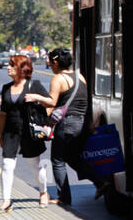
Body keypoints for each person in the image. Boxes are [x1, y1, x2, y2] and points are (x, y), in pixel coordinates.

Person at [27, 47, 93, 206]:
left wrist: (36, 97)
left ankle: (64, 197)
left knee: (57, 160)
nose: (49, 65)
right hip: (81, 122)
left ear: (55, 62)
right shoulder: (79, 76)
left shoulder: (58, 79)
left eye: (50, 62)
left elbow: (52, 102)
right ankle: (101, 181)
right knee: (72, 157)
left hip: (67, 124)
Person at [0, 55, 52, 214]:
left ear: (22, 68)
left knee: (35, 165)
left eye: (12, 65)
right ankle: (6, 201)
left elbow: (51, 102)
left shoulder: (34, 85)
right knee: (7, 165)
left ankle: (43, 192)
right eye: (8, 65)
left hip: (29, 132)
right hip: (10, 132)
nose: (8, 68)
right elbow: (3, 113)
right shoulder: (6, 88)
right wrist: (1, 135)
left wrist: (37, 97)